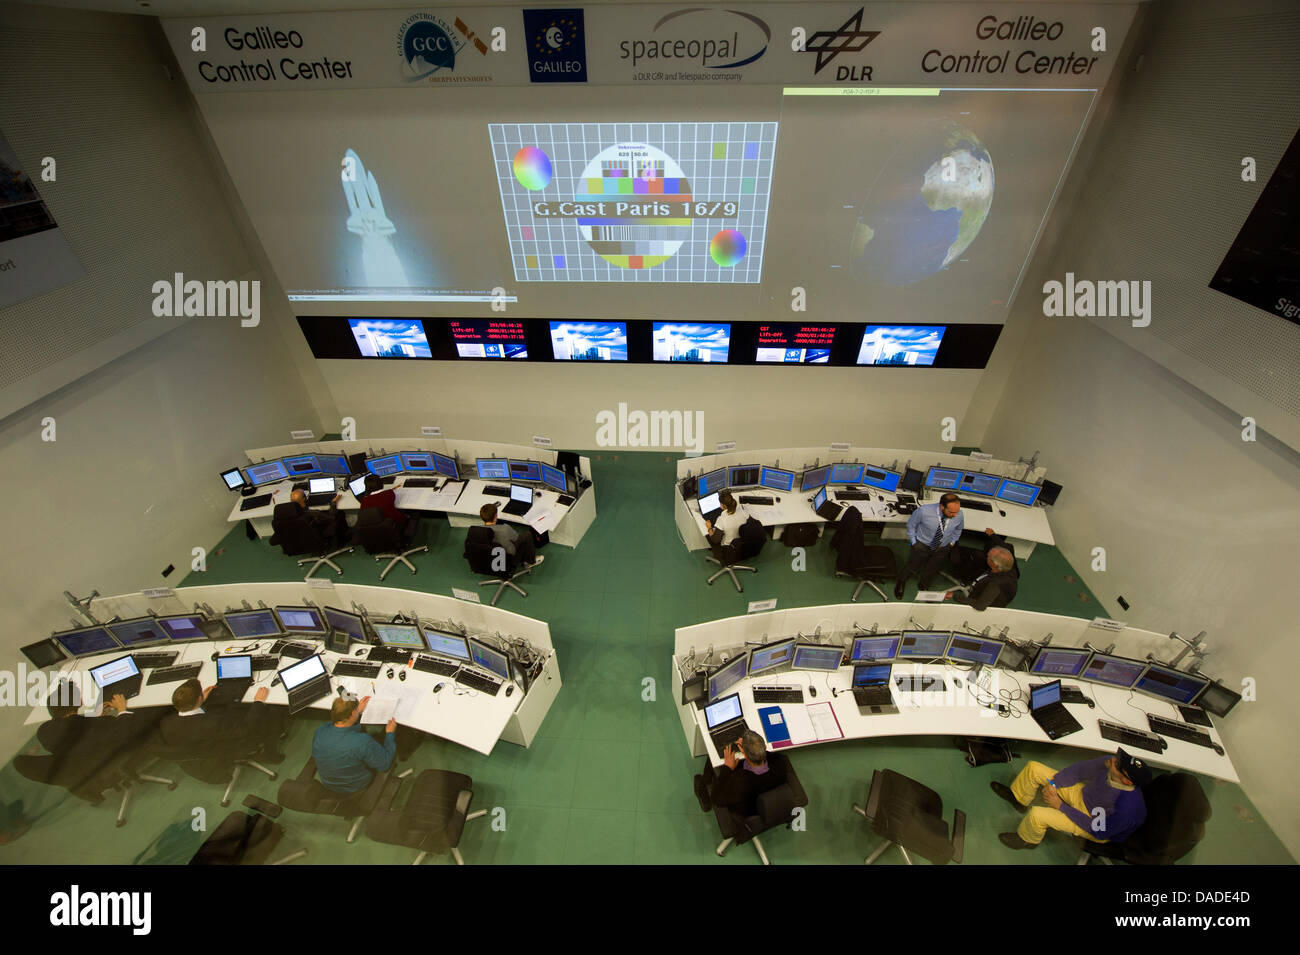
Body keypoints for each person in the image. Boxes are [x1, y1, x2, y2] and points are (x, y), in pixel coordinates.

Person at [13, 680, 159, 804]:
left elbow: (76, 732)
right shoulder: (97, 726)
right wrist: (121, 710)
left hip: (79, 770)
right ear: (79, 702)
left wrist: (95, 718)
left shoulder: (44, 731)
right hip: (106, 762)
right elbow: (123, 731)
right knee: (147, 714)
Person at [991, 749, 1152, 850]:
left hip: (1096, 822)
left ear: (1127, 781)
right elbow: (1079, 771)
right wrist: (1054, 784)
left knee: (1037, 815)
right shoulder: (1109, 764)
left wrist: (1061, 806)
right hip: (1085, 796)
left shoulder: (1126, 809)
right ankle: (1019, 800)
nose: (1112, 760)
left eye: (1117, 764)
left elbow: (1099, 830)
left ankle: (1027, 840)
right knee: (1034, 768)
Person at [156, 679, 282, 781]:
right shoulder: (212, 723)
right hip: (225, 750)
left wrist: (199, 702)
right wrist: (258, 701)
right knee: (271, 712)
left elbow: (192, 726)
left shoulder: (166, 723)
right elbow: (246, 729)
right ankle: (270, 754)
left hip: (201, 752)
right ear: (199, 698)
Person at [312, 695, 397, 794]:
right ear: (352, 713)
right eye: (356, 709)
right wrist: (390, 734)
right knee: (385, 739)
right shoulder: (362, 741)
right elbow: (385, 765)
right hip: (356, 786)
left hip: (329, 784)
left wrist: (357, 712)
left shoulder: (320, 731)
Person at [693, 729, 789, 817]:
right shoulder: (781, 763)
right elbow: (770, 755)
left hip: (747, 809)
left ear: (744, 753)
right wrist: (754, 747)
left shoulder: (739, 782)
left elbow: (717, 799)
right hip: (765, 797)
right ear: (764, 747)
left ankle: (703, 792)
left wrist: (727, 768)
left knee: (712, 759)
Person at [894, 492, 963, 598]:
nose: (955, 515)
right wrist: (914, 542)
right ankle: (901, 581)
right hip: (922, 544)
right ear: (942, 506)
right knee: (912, 565)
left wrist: (952, 542)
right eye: (951, 512)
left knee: (933, 567)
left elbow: (958, 529)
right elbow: (911, 526)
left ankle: (924, 584)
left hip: (943, 546)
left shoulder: (959, 514)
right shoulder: (924, 511)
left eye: (956, 512)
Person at [945, 537, 1018, 610]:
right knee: (976, 554)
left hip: (983, 600)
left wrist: (954, 596)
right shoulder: (1008, 564)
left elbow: (980, 605)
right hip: (985, 580)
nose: (987, 556)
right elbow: (1009, 547)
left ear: (994, 564)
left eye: (988, 557)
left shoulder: (995, 584)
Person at [479, 502, 543, 568]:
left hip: (490, 558)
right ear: (495, 516)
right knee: (527, 535)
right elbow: (516, 538)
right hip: (509, 558)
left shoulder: (478, 531)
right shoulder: (504, 528)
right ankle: (531, 561)